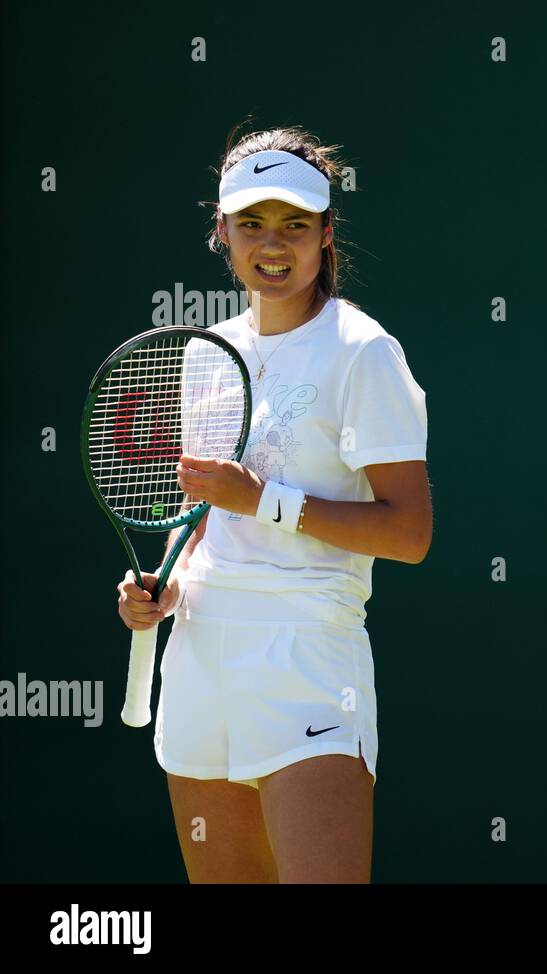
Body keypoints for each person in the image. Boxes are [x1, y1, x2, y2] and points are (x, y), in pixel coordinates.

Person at [115, 126, 433, 883]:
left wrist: (267, 502)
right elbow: (204, 517)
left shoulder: (364, 352)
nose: (273, 244)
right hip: (199, 659)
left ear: (327, 232)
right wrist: (162, 586)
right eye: (251, 223)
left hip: (308, 663)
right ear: (222, 232)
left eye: (294, 223)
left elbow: (410, 532)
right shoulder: (206, 352)